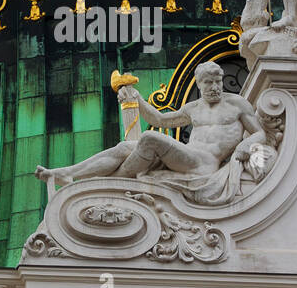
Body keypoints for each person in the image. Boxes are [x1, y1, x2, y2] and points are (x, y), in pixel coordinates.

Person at [34, 62, 274, 205]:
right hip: (186, 156)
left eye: (218, 82)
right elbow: (159, 119)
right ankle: (69, 173)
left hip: (203, 164)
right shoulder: (194, 108)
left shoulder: (237, 104)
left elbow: (259, 134)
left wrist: (247, 144)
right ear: (199, 85)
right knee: (124, 147)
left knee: (149, 139)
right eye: (208, 83)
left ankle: (110, 182)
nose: (214, 87)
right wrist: (137, 99)